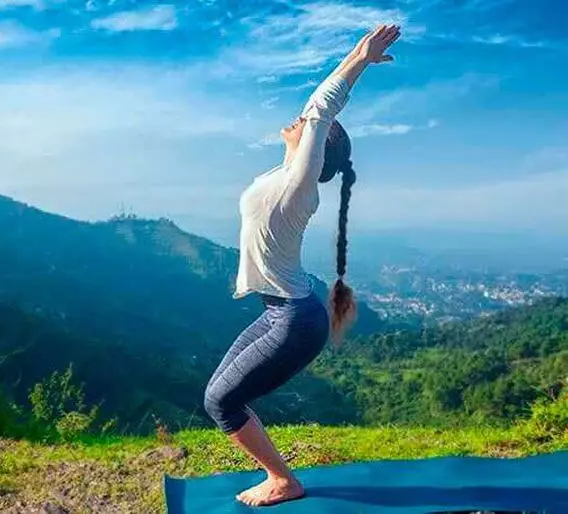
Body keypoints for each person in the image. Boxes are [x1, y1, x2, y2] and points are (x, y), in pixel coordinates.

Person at [203, 24, 401, 507]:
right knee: (219, 395)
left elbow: (320, 107)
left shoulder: (300, 184)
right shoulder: (284, 174)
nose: (300, 120)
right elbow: (310, 120)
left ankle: (283, 480)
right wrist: (299, 141)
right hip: (284, 310)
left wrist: (357, 59)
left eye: (313, 130)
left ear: (320, 147)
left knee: (220, 402)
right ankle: (278, 473)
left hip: (294, 319)